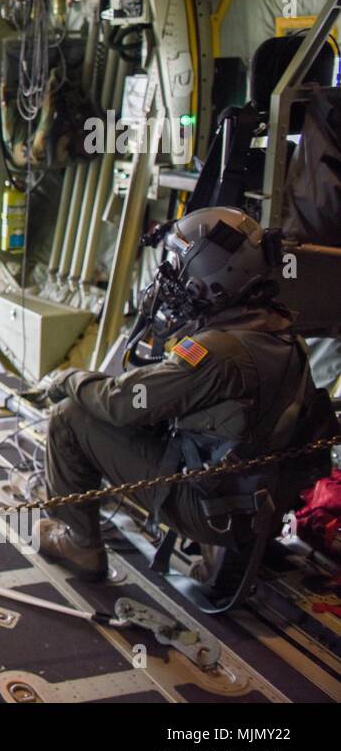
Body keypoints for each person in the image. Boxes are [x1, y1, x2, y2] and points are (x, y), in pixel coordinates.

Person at [31, 207, 335, 590]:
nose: (172, 275)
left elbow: (123, 404)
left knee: (69, 416)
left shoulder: (216, 352)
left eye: (178, 263)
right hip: (258, 502)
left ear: (212, 276)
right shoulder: (281, 329)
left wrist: (68, 378)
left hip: (212, 507)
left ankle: (80, 545)